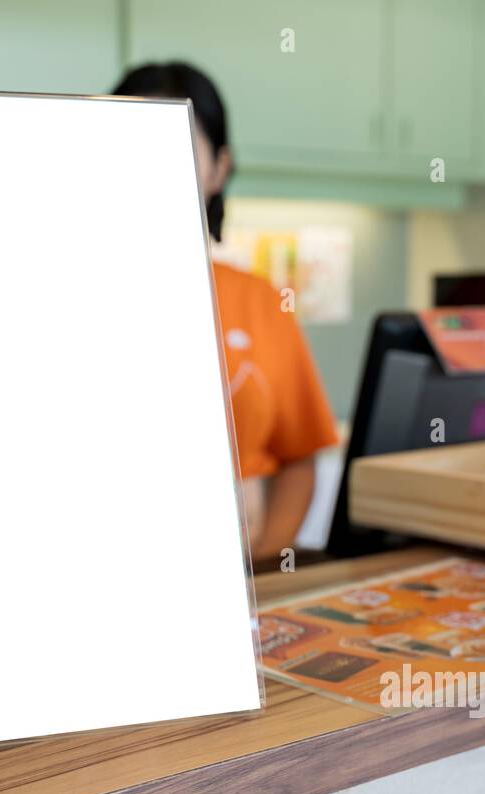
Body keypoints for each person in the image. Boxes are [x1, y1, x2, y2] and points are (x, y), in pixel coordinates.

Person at [113, 62, 340, 565]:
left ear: (220, 167)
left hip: (243, 577)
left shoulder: (261, 301)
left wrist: (263, 568)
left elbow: (299, 458)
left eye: (176, 150)